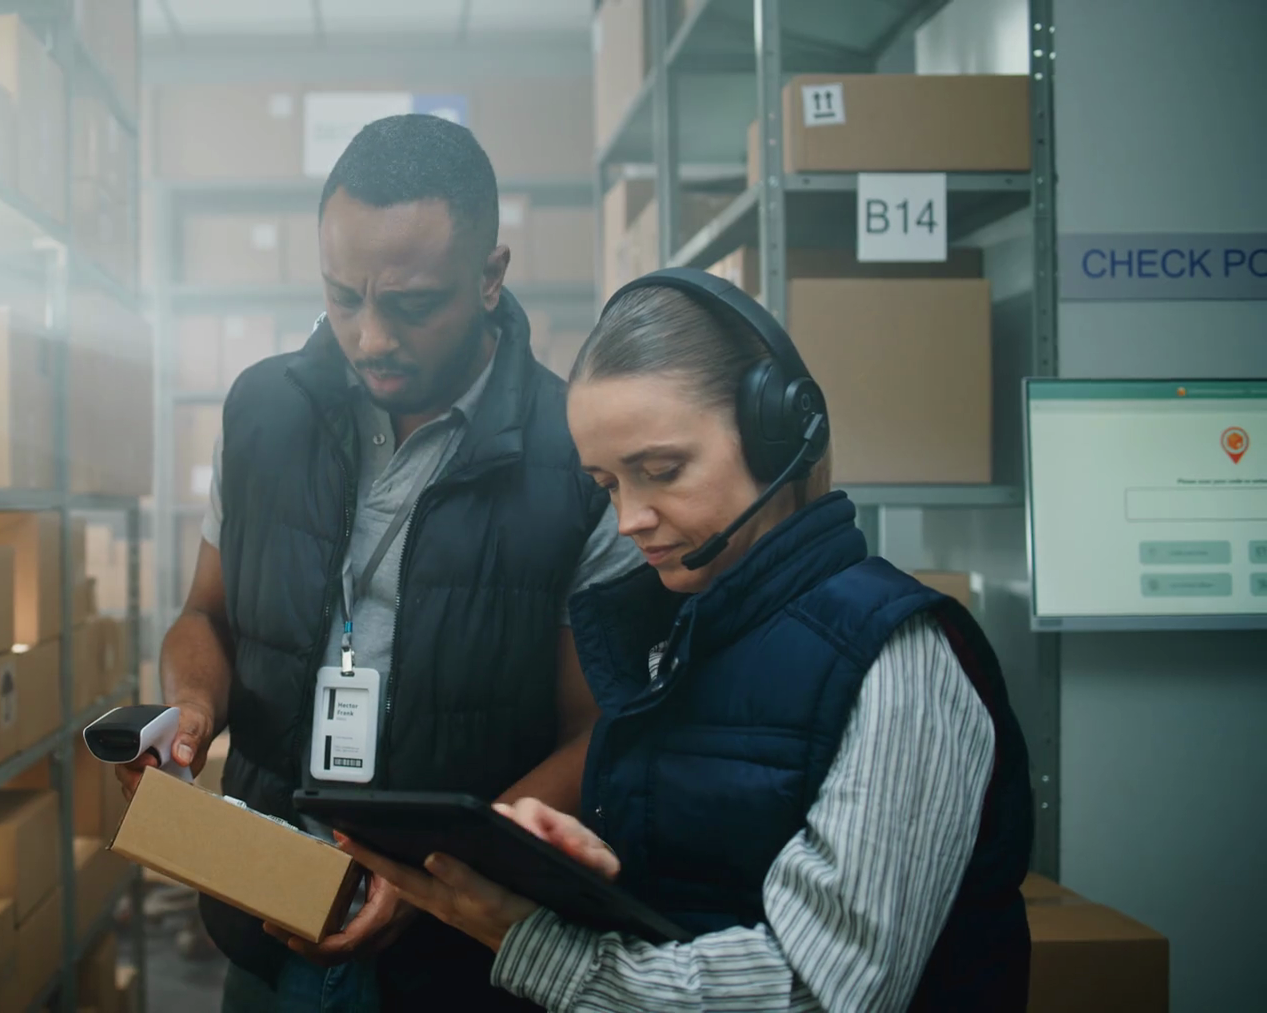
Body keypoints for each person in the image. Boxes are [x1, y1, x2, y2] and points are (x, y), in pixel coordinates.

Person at [339, 268, 1035, 1012]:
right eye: (608, 484)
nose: (630, 517)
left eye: (661, 471)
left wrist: (538, 945)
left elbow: (821, 990)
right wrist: (574, 871)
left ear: (777, 434)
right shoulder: (672, 635)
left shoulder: (898, 659)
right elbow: (705, 892)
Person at [117, 114, 642, 1011]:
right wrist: (193, 709)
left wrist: (444, 869)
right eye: (341, 296)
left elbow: (600, 732)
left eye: (409, 305)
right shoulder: (260, 415)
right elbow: (205, 614)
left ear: (490, 278)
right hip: (263, 915)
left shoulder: (577, 454)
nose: (368, 338)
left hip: (463, 956)